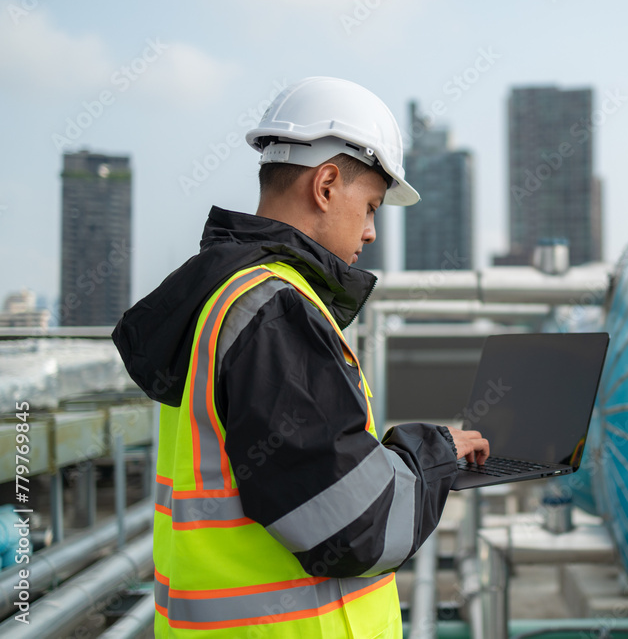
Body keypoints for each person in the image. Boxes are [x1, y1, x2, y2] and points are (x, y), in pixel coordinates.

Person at [113, 77, 490, 638]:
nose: (370, 233)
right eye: (370, 207)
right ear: (328, 183)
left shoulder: (222, 296)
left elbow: (302, 470)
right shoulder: (273, 311)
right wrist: (435, 453)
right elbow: (355, 527)